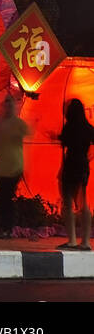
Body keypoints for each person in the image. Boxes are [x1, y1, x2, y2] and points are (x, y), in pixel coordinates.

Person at [0, 96, 29, 237]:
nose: (8, 108)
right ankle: (6, 228)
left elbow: (29, 133)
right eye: (6, 105)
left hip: (15, 166)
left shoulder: (18, 123)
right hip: (2, 166)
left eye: (11, 105)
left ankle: (7, 228)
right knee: (4, 198)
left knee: (7, 198)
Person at [56, 99, 93, 251]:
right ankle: (86, 241)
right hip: (83, 165)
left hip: (71, 164)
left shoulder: (69, 127)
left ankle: (71, 239)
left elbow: (64, 143)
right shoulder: (88, 128)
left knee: (68, 202)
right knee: (84, 202)